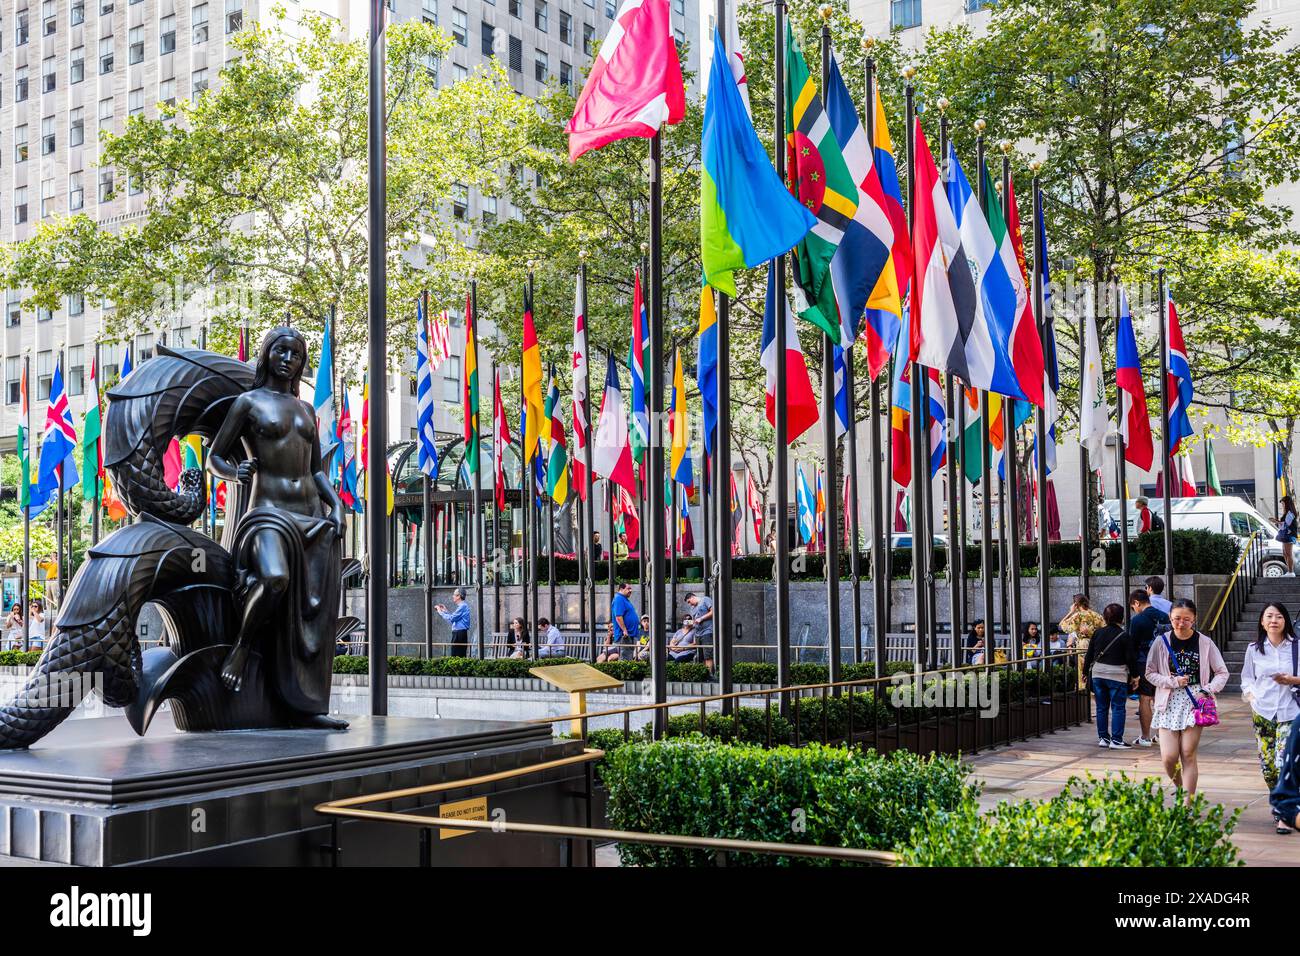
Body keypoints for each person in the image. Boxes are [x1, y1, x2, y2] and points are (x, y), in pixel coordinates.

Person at [204, 326, 348, 728]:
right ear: (267, 354)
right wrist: (235, 472)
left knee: (313, 615)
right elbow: (214, 457)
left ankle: (306, 707)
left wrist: (334, 504)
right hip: (267, 513)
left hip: (311, 517)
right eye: (281, 351)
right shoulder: (247, 403)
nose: (288, 359)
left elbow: (316, 469)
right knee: (275, 579)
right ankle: (241, 649)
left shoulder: (305, 411)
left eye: (296, 354)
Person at [1145, 598, 1229, 799]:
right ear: (1170, 617)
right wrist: (1171, 681)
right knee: (1169, 758)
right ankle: (1181, 786)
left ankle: (1187, 803)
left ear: (1194, 619)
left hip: (1194, 702)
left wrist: (1207, 690)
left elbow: (1222, 672)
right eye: (1176, 619)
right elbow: (1149, 672)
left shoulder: (1205, 643)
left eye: (1186, 619)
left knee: (1188, 753)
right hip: (1168, 702)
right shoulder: (1161, 641)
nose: (1181, 623)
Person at [1241, 603, 1300, 832]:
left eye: (1278, 616)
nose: (1274, 620)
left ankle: (1287, 814)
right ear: (1262, 623)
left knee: (1282, 761)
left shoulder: (1296, 647)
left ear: (1285, 621)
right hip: (1262, 712)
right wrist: (1251, 696)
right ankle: (1281, 807)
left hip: (1290, 711)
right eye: (1269, 616)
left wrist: (1292, 680)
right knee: (1268, 768)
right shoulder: (1254, 648)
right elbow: (1247, 677)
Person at [1083, 603, 1140, 748]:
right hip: (1117, 675)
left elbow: (1089, 655)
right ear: (1121, 618)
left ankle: (1103, 738)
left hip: (1097, 674)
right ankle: (1116, 739)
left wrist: (1084, 673)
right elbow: (1130, 658)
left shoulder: (1098, 632)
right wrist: (1135, 676)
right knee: (1118, 707)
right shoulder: (1124, 635)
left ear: (1105, 617)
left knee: (1101, 707)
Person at [1128, 587, 1171, 747]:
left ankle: (1145, 736)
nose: (1134, 610)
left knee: (1145, 699)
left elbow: (1132, 645)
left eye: (1133, 607)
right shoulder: (1165, 617)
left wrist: (1132, 671)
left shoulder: (1137, 620)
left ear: (1137, 603)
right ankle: (1161, 735)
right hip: (1165, 663)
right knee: (1161, 698)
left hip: (1144, 663)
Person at [435, 587, 472, 657]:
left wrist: (440, 612)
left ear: (459, 596)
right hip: (458, 633)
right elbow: (453, 620)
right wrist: (445, 611)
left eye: (454, 594)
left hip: (459, 634)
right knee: (456, 655)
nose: (453, 596)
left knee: (456, 656)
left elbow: (452, 619)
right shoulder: (462, 606)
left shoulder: (463, 606)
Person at [685, 592, 714, 674]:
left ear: (692, 597)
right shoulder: (692, 609)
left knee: (708, 655)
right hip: (698, 634)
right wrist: (690, 623)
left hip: (707, 632)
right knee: (701, 657)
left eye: (689, 602)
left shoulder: (705, 600)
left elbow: (713, 611)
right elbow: (695, 621)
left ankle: (710, 675)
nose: (690, 604)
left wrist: (701, 618)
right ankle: (704, 675)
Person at [610, 582, 639, 654]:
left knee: (628, 658)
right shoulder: (619, 599)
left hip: (629, 635)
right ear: (621, 589)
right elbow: (618, 616)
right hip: (624, 636)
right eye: (628, 588)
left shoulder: (624, 599)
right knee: (625, 658)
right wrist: (625, 630)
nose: (630, 591)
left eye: (631, 589)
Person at [1277, 495, 1297, 576]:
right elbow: (1283, 525)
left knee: (1288, 553)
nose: (1282, 506)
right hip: (1286, 535)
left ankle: (1291, 572)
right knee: (1285, 553)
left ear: (1287, 504)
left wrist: (1277, 522)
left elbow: (1287, 524)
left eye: (1283, 504)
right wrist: (1278, 522)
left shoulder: (1290, 513)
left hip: (1289, 535)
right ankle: (1289, 571)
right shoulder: (1287, 513)